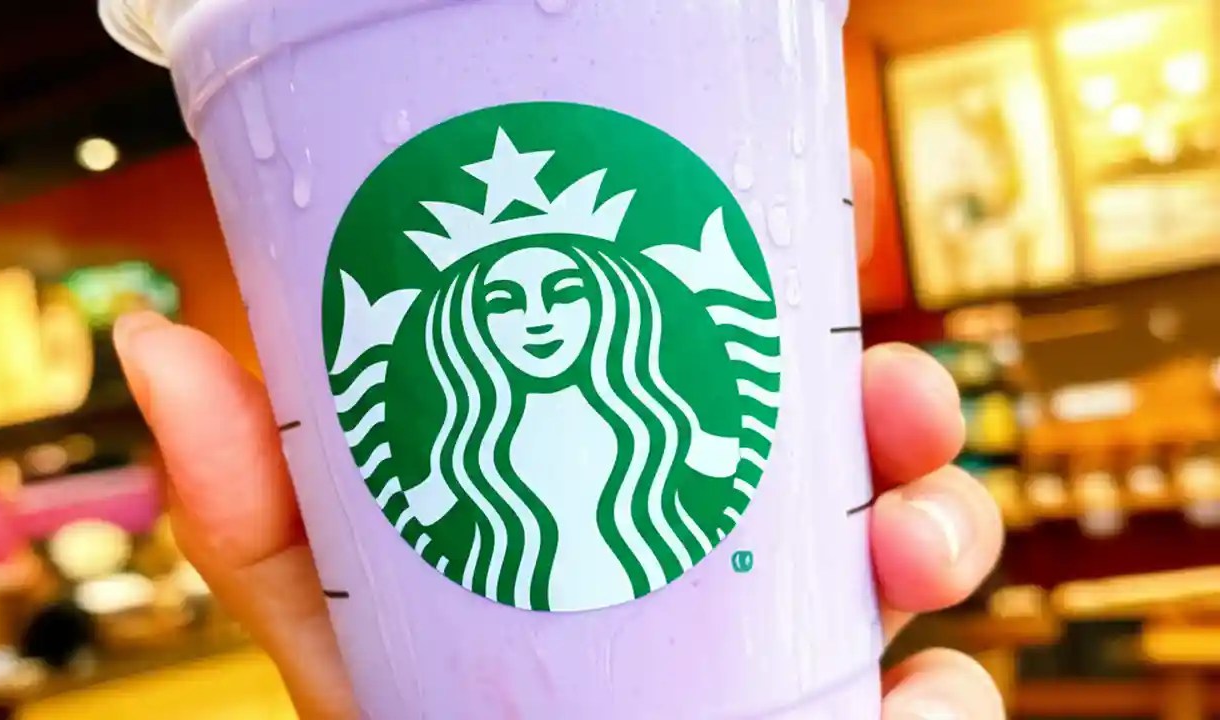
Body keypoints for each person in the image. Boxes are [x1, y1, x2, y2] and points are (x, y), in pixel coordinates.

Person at [113, 154, 1007, 719]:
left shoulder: (686, 447)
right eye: (504, 300)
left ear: (613, 302)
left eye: (565, 293)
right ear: (465, 324)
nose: (537, 319)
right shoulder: (444, 479)